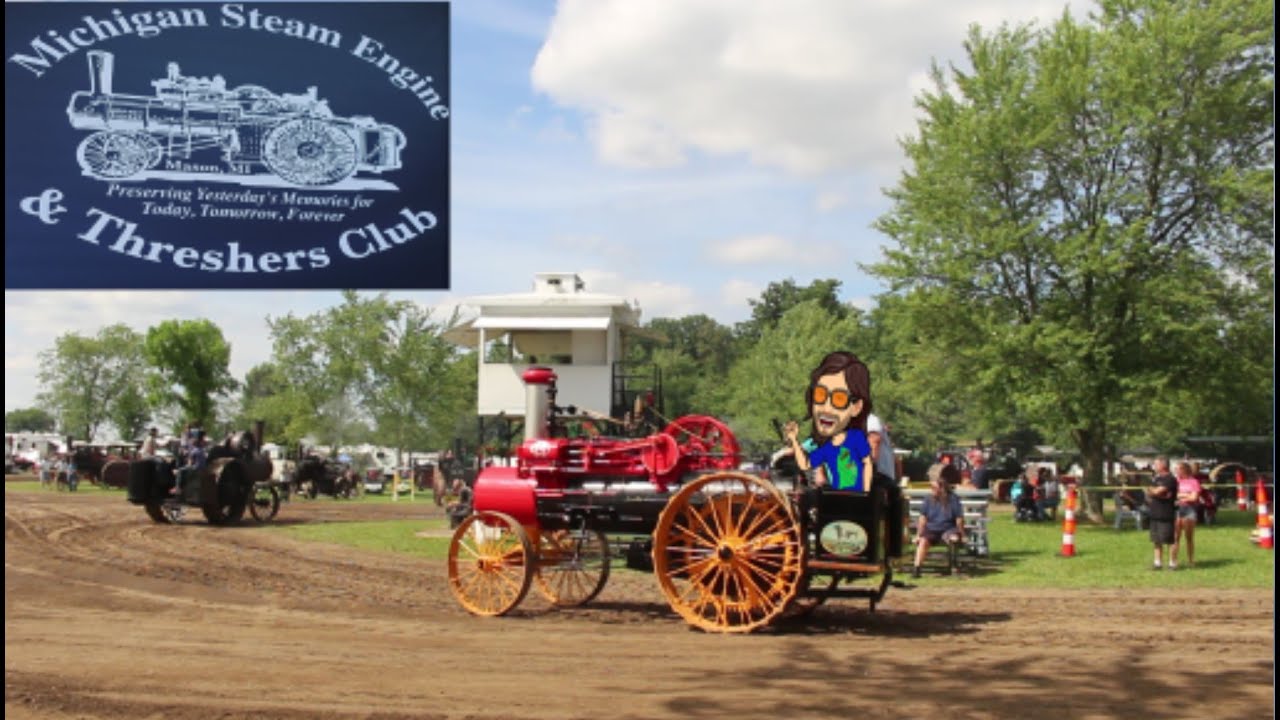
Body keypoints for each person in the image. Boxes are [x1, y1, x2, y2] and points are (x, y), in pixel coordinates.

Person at [782, 351, 873, 491]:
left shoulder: (856, 438)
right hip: (836, 497)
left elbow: (867, 463)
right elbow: (805, 464)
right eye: (820, 395)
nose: (826, 408)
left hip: (858, 499)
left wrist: (866, 494)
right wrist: (794, 439)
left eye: (839, 398)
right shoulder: (826, 448)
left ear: (856, 407)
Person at [912, 463, 965, 577]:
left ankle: (954, 566)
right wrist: (918, 535)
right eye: (931, 488)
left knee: (953, 539)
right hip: (932, 529)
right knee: (923, 541)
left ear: (942, 488)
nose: (932, 490)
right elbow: (922, 519)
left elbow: (959, 518)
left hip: (948, 529)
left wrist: (962, 534)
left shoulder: (953, 499)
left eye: (934, 488)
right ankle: (917, 568)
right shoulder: (928, 499)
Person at [1146, 456, 1178, 570]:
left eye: (1156, 464)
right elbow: (1150, 491)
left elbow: (1157, 491)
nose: (1154, 466)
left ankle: (1172, 563)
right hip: (1155, 512)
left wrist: (1154, 492)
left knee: (1170, 540)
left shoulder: (1170, 479)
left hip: (1166, 513)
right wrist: (1154, 492)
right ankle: (1157, 563)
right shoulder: (1156, 478)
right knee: (1156, 540)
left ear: (1163, 465)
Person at [1172, 461, 1202, 569]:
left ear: (1184, 470)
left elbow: (1194, 497)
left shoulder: (1194, 482)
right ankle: (1173, 561)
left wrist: (1181, 496)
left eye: (1178, 469)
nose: (1176, 471)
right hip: (1178, 510)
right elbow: (1173, 495)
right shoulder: (1176, 481)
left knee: (1189, 537)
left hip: (1190, 510)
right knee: (1175, 537)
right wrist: (1186, 495)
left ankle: (1191, 560)